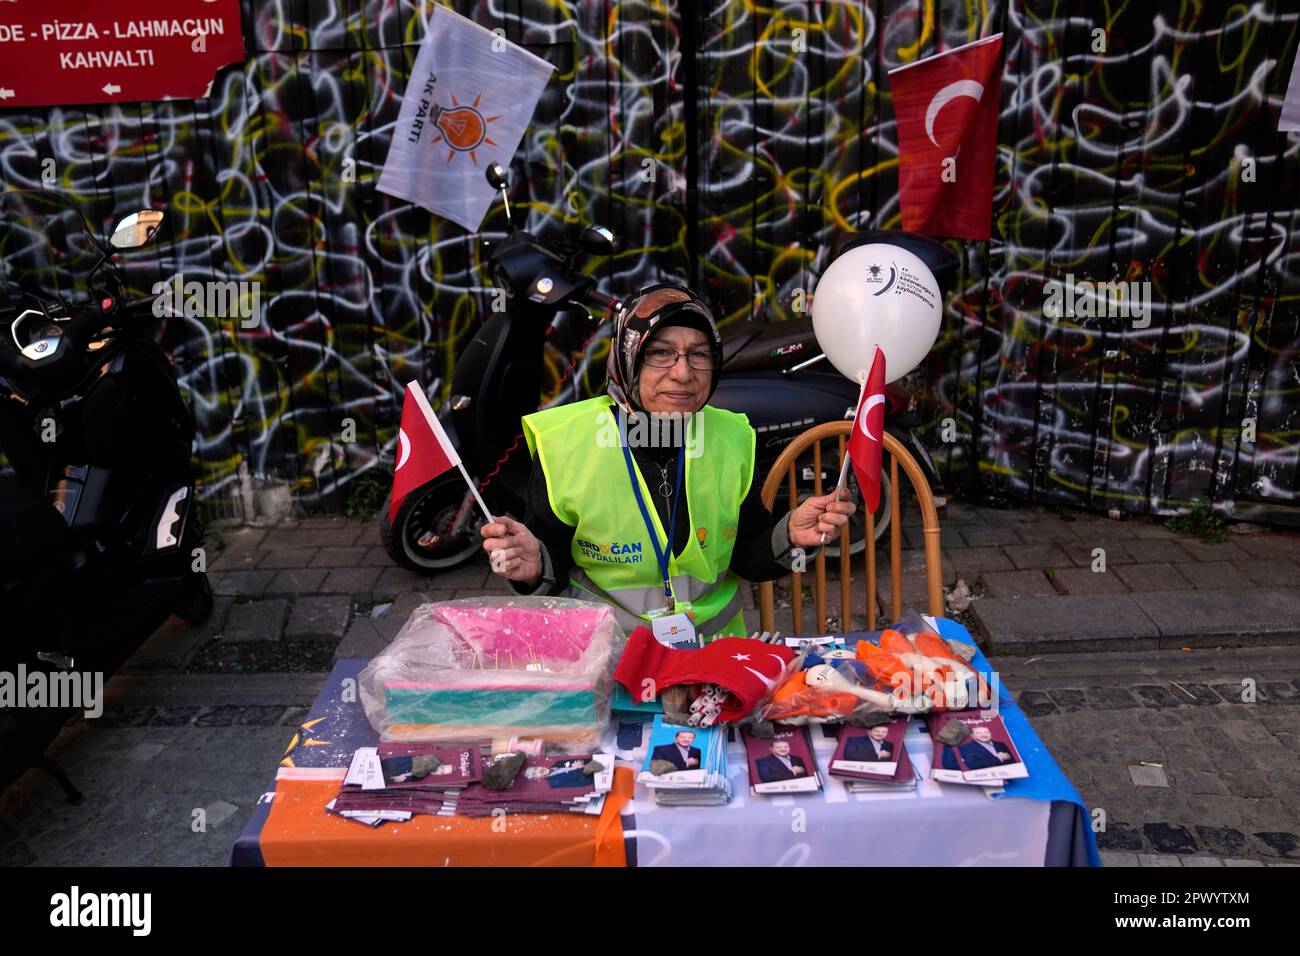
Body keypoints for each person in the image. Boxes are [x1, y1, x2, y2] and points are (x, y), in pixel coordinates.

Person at [479, 283, 857, 641]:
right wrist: (533, 568)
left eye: (698, 354)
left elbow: (745, 557)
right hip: (611, 662)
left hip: (714, 662)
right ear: (627, 359)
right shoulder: (568, 444)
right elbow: (551, 568)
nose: (683, 373)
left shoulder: (730, 437)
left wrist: (789, 537)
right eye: (660, 353)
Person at [942, 725, 1015, 771]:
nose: (984, 735)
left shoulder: (1000, 744)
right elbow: (973, 765)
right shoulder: (967, 748)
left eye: (986, 732)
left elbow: (1013, 761)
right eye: (979, 733)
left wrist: (1009, 757)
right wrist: (999, 758)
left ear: (990, 733)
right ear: (972, 735)